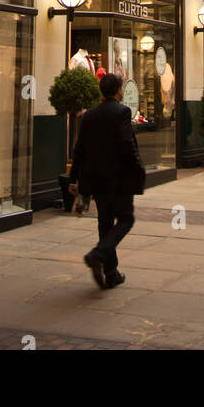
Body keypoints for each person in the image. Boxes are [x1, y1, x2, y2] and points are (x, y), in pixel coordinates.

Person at [69, 72, 146, 290]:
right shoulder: (122, 112)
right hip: (119, 178)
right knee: (126, 219)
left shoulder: (89, 116)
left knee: (105, 222)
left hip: (96, 180)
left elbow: (79, 149)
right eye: (121, 87)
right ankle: (98, 255)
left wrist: (74, 178)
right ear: (117, 90)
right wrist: (138, 167)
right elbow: (126, 144)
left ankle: (111, 273)